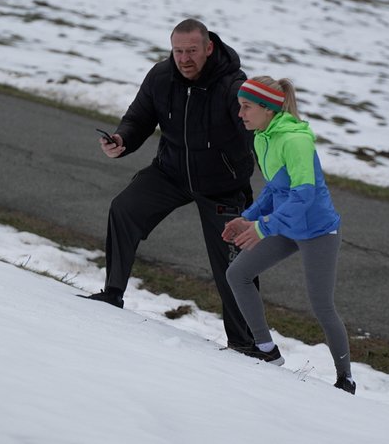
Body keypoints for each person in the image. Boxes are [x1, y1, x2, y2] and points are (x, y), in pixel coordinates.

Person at [80, 19, 259, 353]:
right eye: (178, 51)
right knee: (124, 209)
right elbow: (138, 118)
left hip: (222, 184)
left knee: (235, 262)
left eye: (192, 51)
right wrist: (122, 139)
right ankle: (112, 293)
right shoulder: (161, 76)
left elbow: (257, 126)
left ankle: (246, 343)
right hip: (171, 172)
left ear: (209, 48)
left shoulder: (232, 85)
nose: (184, 58)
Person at [222, 76, 356, 394]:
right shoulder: (262, 137)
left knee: (322, 305)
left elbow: (303, 196)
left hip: (318, 231)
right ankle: (267, 351)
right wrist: (248, 218)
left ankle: (345, 379)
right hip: (286, 225)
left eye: (246, 107)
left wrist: (262, 228)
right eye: (240, 106)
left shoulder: (296, 141)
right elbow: (275, 189)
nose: (240, 114)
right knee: (237, 274)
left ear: (268, 109)